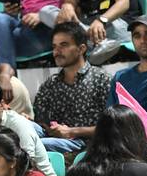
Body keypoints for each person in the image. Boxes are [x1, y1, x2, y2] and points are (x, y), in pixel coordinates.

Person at [35, 22, 114, 152]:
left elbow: (114, 127)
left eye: (64, 45)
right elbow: (42, 122)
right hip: (56, 141)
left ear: (81, 49)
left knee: (38, 145)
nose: (57, 51)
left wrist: (72, 131)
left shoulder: (102, 79)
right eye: (54, 46)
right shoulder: (50, 84)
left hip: (91, 146)